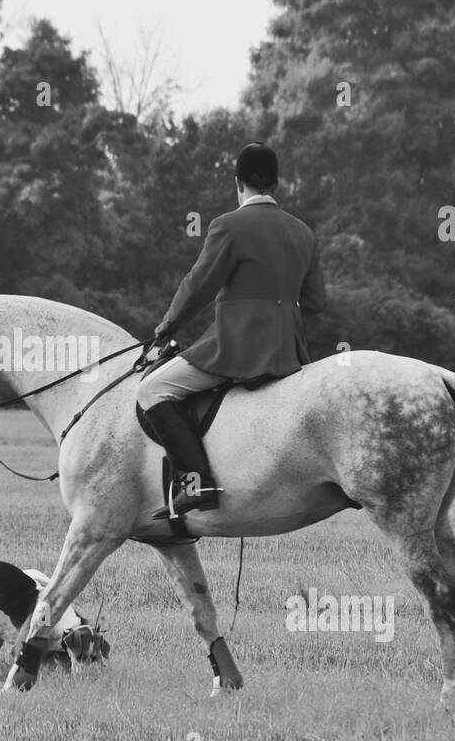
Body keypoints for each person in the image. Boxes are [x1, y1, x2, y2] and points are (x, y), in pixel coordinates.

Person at [136, 142, 327, 519]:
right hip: (289, 351)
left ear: (237, 182)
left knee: (151, 389)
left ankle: (196, 482)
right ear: (275, 183)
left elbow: (198, 286)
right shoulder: (303, 232)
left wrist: (166, 327)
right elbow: (317, 302)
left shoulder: (228, 225)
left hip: (237, 348)